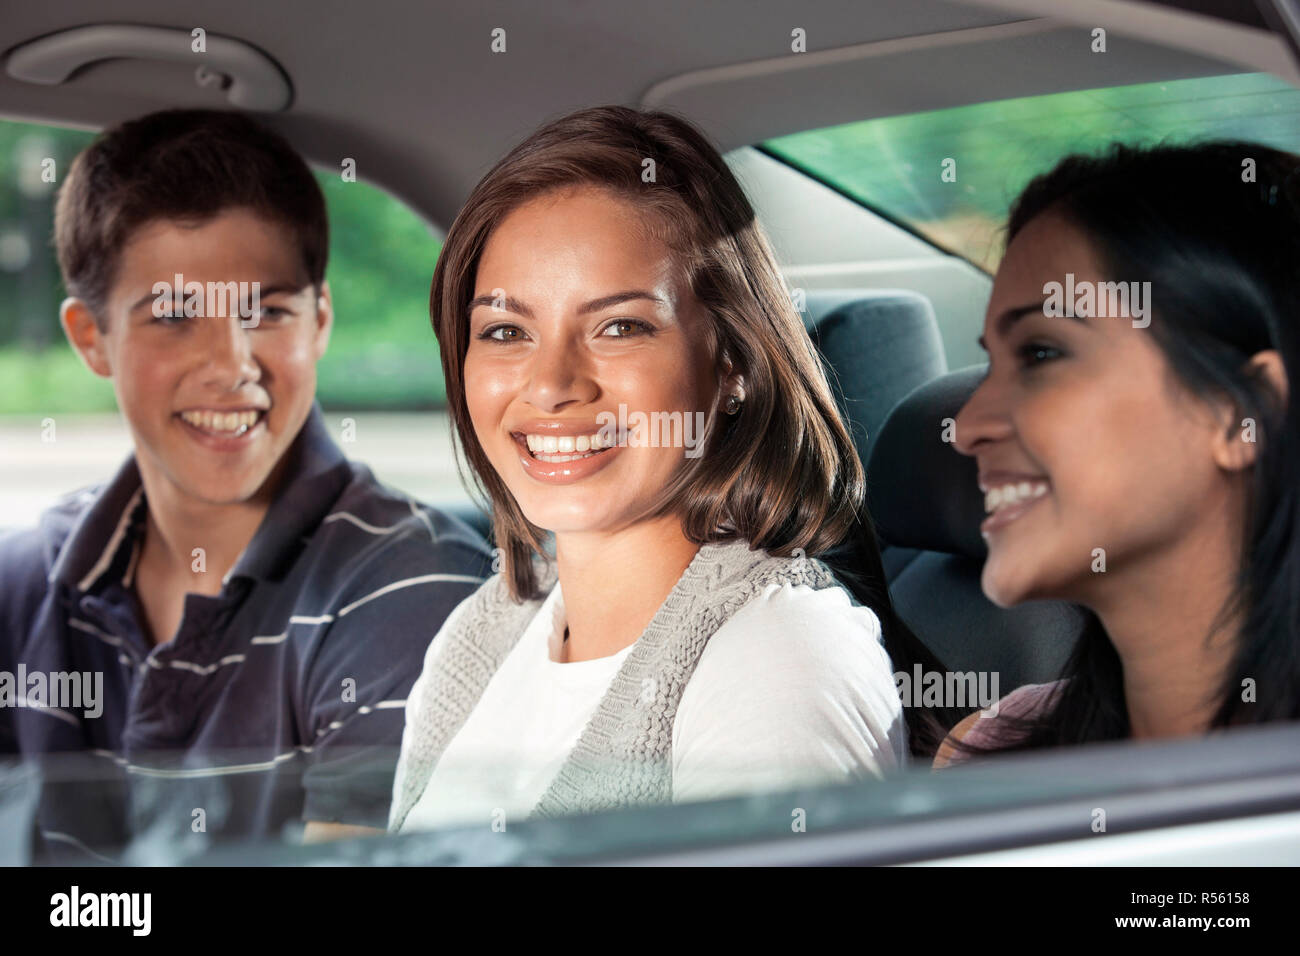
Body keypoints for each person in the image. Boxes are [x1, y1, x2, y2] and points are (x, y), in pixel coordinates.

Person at [390, 105, 948, 833]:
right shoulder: (483, 633)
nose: (551, 384)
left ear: (733, 365)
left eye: (619, 326)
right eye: (504, 331)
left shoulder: (777, 659)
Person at [0, 109, 492, 858]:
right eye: (174, 316)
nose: (232, 366)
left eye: (266, 311)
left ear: (320, 320)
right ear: (91, 339)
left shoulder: (407, 593)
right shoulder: (23, 586)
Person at [935, 141, 1298, 766]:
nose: (967, 427)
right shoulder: (990, 751)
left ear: (1238, 411)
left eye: (1042, 353)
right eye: (992, 362)